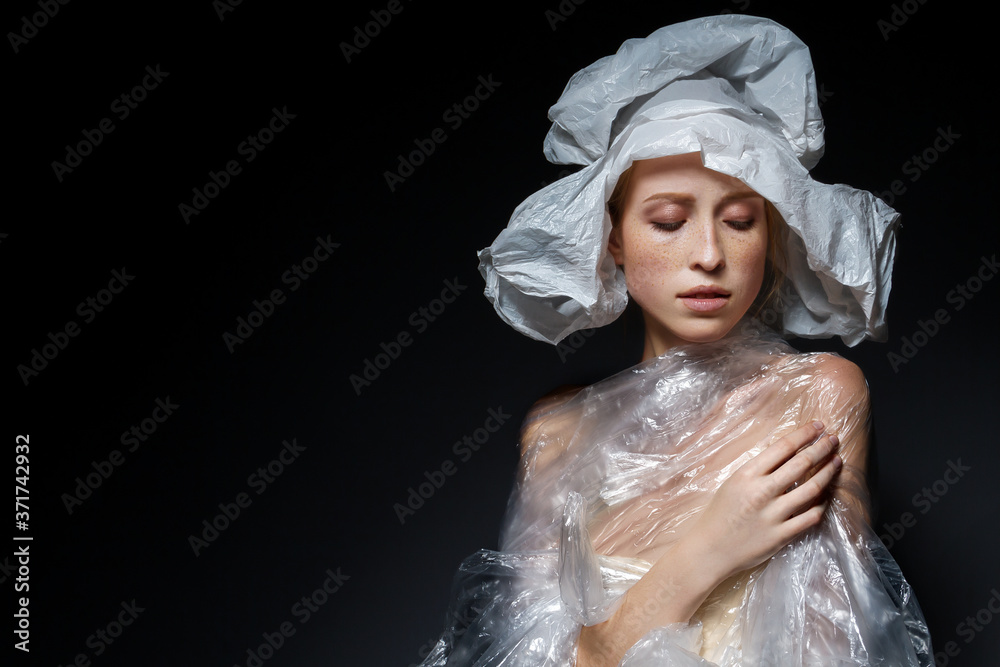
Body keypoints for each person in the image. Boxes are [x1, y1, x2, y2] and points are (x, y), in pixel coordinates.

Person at [420, 15, 933, 666]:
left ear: (771, 235)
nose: (709, 254)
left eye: (741, 220)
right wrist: (710, 547)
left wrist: (610, 635)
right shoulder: (558, 433)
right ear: (613, 239)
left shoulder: (820, 396)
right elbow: (525, 658)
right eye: (669, 220)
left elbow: (832, 649)